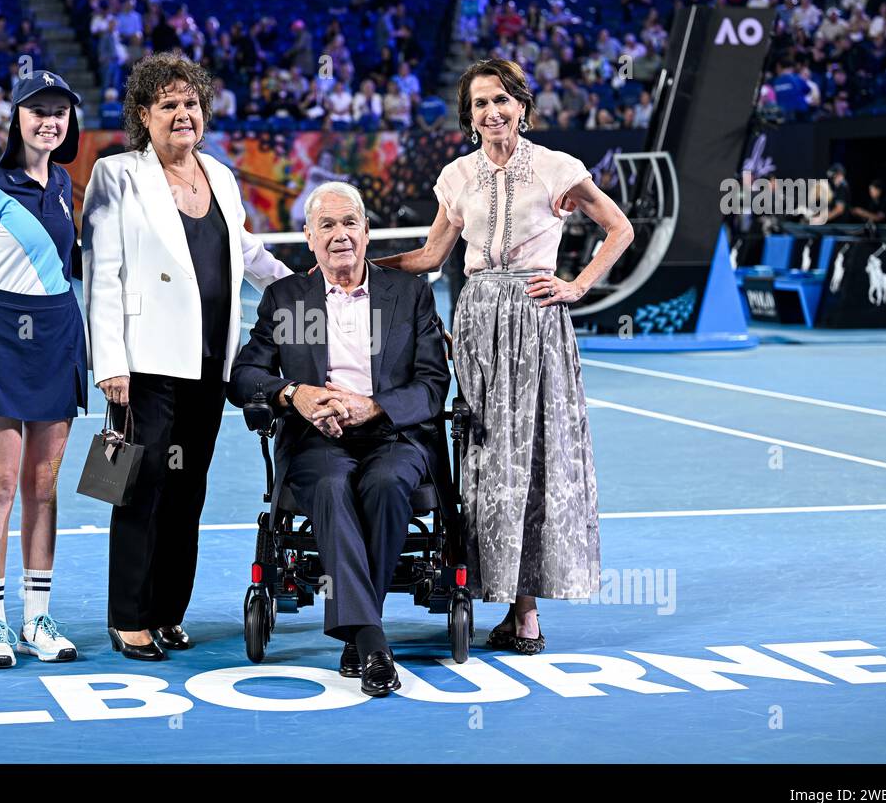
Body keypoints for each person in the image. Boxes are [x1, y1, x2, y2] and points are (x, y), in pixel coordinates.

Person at [376, 58, 634, 653]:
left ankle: (527, 612)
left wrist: (577, 286)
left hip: (535, 324)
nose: (491, 112)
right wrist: (358, 265)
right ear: (468, 116)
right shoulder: (457, 176)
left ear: (522, 105)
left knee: (533, 460)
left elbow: (618, 228)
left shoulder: (557, 168)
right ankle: (488, 592)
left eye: (501, 100)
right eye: (479, 104)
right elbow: (430, 257)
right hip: (475, 325)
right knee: (485, 461)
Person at [82, 53, 292, 661]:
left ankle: (169, 612)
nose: (182, 114)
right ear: (143, 115)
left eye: (191, 103)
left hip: (209, 366)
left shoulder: (221, 176)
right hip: (145, 366)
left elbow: (247, 252)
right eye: (168, 104)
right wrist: (110, 362)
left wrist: (304, 289)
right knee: (139, 488)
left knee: (186, 491)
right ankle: (129, 616)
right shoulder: (116, 174)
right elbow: (102, 272)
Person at [227, 182, 454, 697]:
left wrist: (374, 406)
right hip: (316, 439)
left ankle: (359, 632)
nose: (339, 235)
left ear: (367, 232)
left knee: (388, 483)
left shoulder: (408, 293)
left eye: (349, 223)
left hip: (392, 434)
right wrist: (293, 393)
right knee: (330, 486)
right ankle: (372, 639)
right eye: (326, 226)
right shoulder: (286, 299)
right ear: (308, 237)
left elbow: (433, 385)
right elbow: (244, 378)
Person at [0, 70, 87, 669]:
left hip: (57, 349)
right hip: (2, 354)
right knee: (0, 486)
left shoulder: (62, 184)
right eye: (39, 111)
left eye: (59, 112)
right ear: (17, 118)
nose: (50, 121)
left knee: (43, 487)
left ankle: (37, 617)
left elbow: (70, 272)